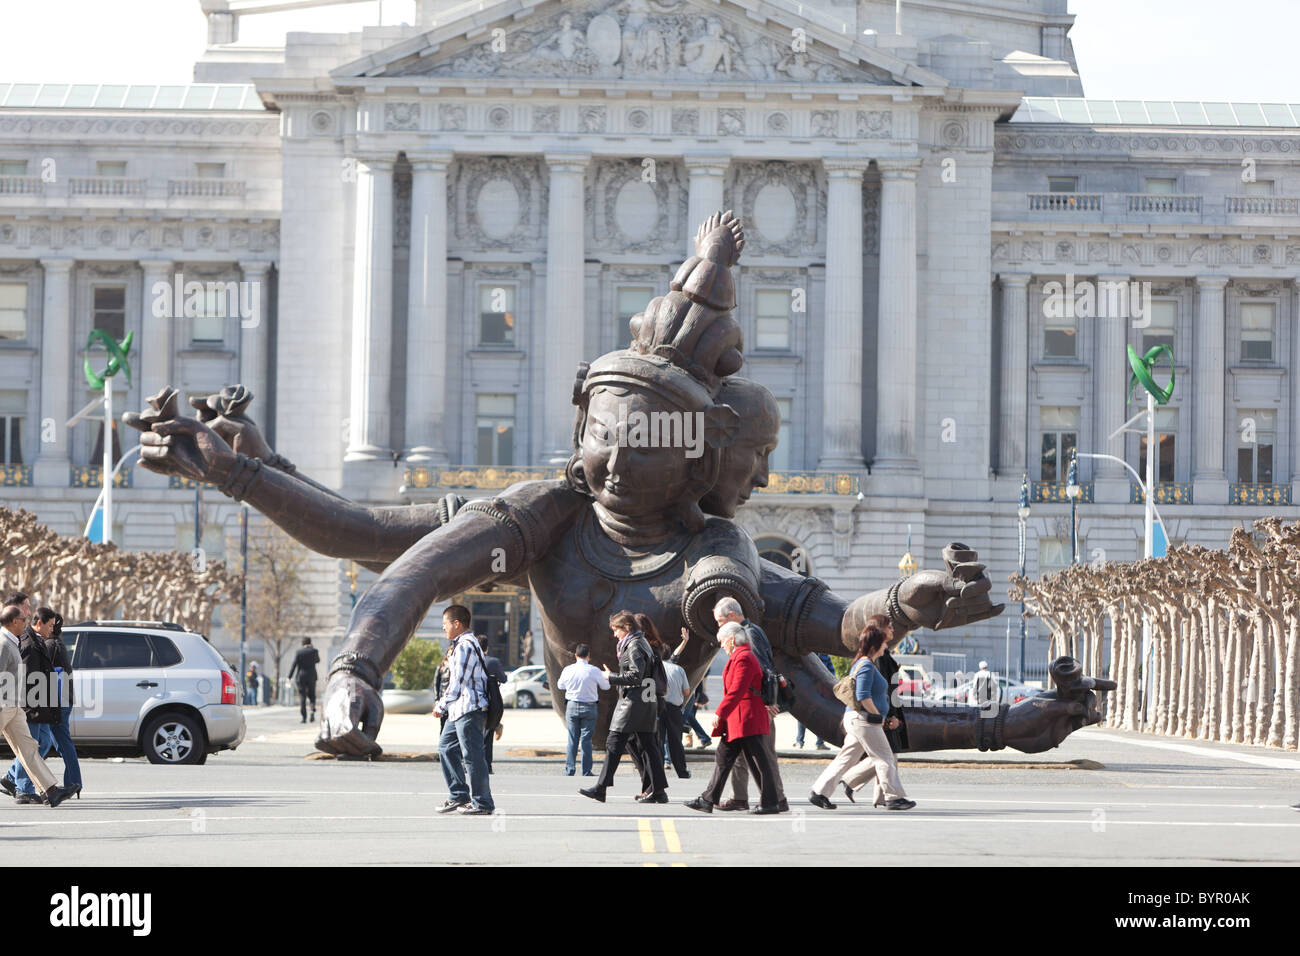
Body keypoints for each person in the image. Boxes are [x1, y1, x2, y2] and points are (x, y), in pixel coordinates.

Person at [808, 619, 915, 811]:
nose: (885, 646)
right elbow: (862, 695)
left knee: (846, 758)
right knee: (884, 757)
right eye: (883, 643)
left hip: (858, 720)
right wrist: (878, 716)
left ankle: (819, 792)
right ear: (875, 645)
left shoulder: (865, 663)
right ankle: (893, 797)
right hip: (863, 721)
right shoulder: (866, 665)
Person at [684, 622, 779, 814]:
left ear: (732, 639)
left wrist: (720, 712)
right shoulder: (741, 656)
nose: (721, 646)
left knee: (758, 761)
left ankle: (772, 802)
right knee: (725, 758)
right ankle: (708, 799)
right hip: (740, 720)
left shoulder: (743, 657)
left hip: (746, 719)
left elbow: (737, 690)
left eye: (722, 642)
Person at [581, 611, 666, 804]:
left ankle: (601, 788)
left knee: (614, 743)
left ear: (625, 628)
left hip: (633, 703)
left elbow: (636, 676)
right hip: (643, 701)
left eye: (616, 630)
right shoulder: (640, 642)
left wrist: (610, 677)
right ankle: (658, 791)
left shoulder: (634, 646)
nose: (614, 634)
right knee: (648, 746)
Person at [713, 596, 787, 812]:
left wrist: (766, 700)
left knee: (762, 754)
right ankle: (740, 797)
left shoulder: (747, 635)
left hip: (756, 705)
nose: (719, 627)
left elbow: (762, 670)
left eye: (720, 621)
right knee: (744, 755)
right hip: (749, 705)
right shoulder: (751, 631)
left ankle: (776, 799)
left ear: (732, 616)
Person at [0, 605, 70, 807]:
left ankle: (50, 790)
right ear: (14, 622)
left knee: (29, 748)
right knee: (30, 748)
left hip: (15, 707)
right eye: (24, 619)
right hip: (4, 705)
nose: (27, 622)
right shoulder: (4, 643)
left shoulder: (13, 640)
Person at [432, 605, 494, 815]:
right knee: (446, 748)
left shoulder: (465, 645)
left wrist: (441, 704)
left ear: (456, 624)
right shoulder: (461, 644)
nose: (443, 629)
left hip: (469, 707)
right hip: (458, 709)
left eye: (445, 625)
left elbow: (458, 681)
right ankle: (458, 794)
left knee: (472, 755)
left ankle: (483, 803)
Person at [38, 610, 81, 798]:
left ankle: (73, 783)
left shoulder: (50, 644)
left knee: (47, 742)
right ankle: (73, 782)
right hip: (62, 698)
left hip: (58, 700)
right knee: (59, 742)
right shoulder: (56, 643)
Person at [556, 643, 608, 776]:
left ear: (575, 655)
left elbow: (560, 685)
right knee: (586, 740)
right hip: (589, 706)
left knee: (572, 738)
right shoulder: (594, 670)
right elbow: (606, 686)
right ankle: (586, 770)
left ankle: (570, 769)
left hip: (572, 705)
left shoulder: (568, 669)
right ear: (588, 656)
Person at [477, 635, 508, 773]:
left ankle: (468, 765)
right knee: (488, 737)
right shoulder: (493, 662)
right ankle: (487, 766)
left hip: (470, 703)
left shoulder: (469, 661)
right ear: (487, 648)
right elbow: (504, 679)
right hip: (489, 703)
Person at [794, 654, 835, 749]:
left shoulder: (823, 656)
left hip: (819, 690)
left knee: (820, 716)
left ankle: (817, 742)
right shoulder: (806, 655)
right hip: (809, 689)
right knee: (803, 715)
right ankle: (801, 741)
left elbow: (831, 672)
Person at [287, 637, 320, 723]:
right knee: (312, 695)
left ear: (302, 644)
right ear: (310, 642)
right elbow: (317, 660)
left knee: (302, 697)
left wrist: (289, 677)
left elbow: (294, 665)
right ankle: (312, 709)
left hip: (301, 677)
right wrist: (313, 649)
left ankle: (304, 717)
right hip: (312, 676)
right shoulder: (314, 651)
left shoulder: (299, 652)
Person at [682, 684, 712, 749]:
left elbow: (699, 682)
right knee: (689, 718)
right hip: (688, 696)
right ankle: (704, 739)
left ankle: (704, 738)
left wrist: (698, 699)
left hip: (690, 697)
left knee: (688, 717)